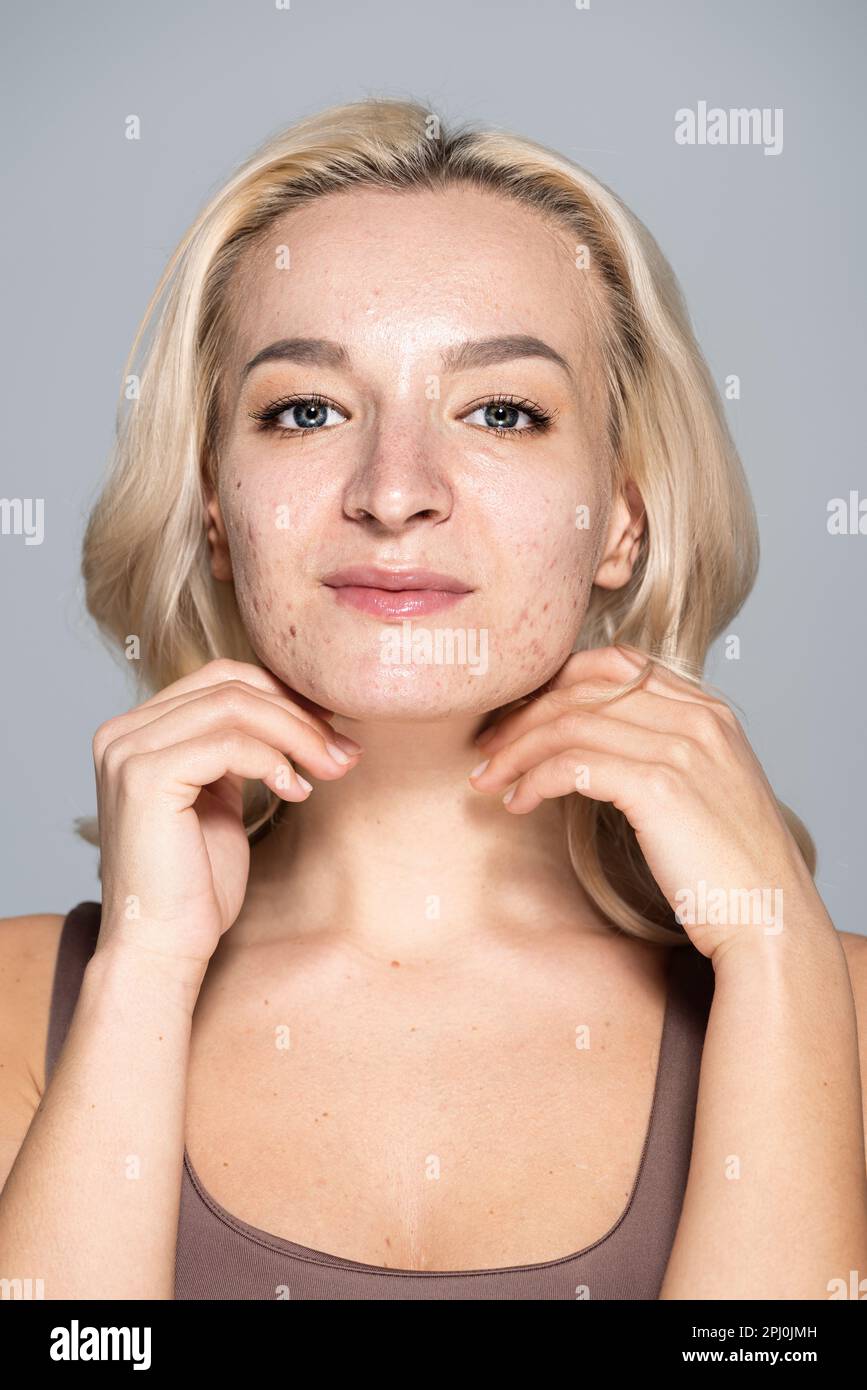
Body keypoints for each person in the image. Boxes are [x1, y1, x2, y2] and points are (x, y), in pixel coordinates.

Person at [1, 98, 865, 1301]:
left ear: (622, 511)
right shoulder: (21, 1006)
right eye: (306, 409)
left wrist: (779, 954)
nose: (394, 490)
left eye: (501, 411)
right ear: (211, 500)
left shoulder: (835, 1007)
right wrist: (145, 973)